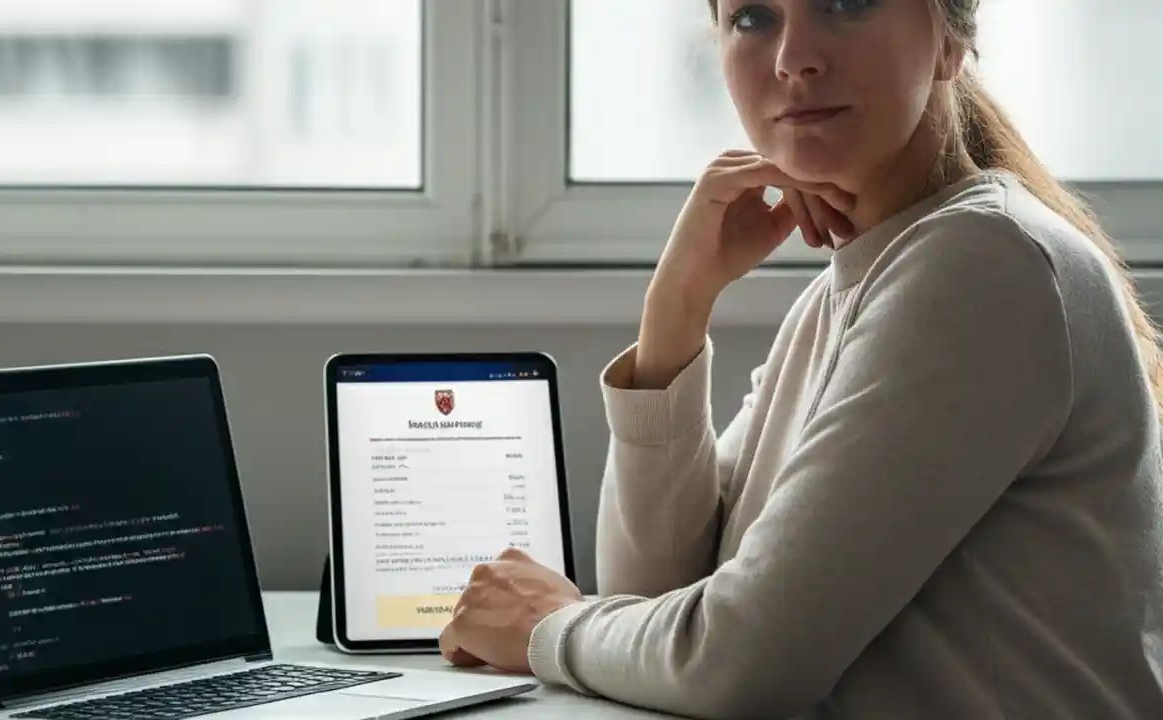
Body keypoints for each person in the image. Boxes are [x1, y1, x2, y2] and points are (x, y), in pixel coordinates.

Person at [438, 0, 1163, 717]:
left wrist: (546, 626)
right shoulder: (852, 290)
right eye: (754, 17)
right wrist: (678, 307)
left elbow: (738, 664)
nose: (793, 58)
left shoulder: (984, 265)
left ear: (949, 42)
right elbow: (652, 602)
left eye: (845, 3)